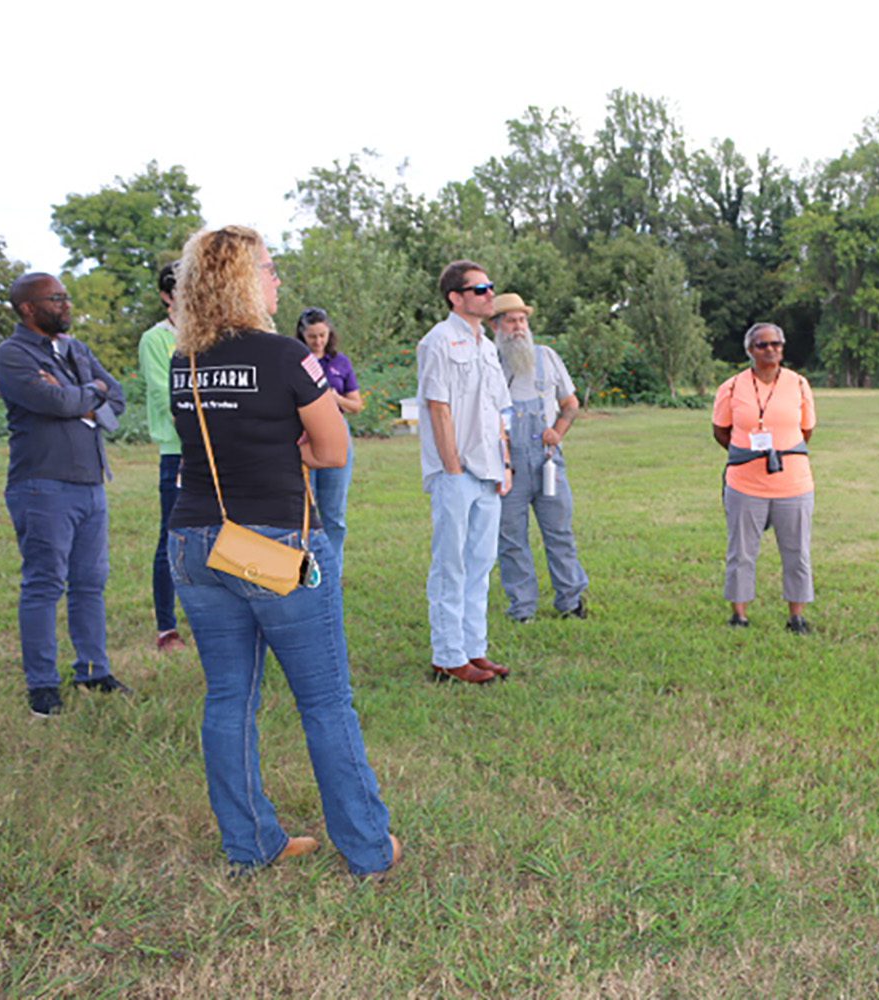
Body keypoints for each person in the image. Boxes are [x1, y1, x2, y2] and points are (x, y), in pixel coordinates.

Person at [166, 225, 398, 875]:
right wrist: (285, 445)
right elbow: (333, 450)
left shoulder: (183, 359)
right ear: (243, 279)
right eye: (269, 270)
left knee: (228, 699)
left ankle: (250, 844)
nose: (277, 282)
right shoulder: (286, 356)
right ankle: (368, 848)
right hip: (269, 544)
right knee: (325, 702)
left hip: (194, 541)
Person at [0, 273, 129, 716]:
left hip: (91, 485)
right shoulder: (12, 354)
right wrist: (90, 395)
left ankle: (93, 670)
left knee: (90, 584)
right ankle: (42, 685)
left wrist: (80, 396)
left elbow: (120, 396)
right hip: (42, 485)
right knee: (44, 584)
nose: (66, 304)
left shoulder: (74, 348)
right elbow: (54, 404)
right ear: (29, 308)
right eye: (57, 298)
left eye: (66, 296)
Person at [419, 260, 514, 683]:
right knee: (451, 564)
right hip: (455, 471)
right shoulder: (437, 342)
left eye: (490, 287)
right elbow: (437, 408)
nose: (489, 294)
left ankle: (475, 649)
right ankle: (447, 654)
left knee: (480, 562)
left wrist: (504, 463)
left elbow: (497, 410)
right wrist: (452, 467)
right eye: (480, 289)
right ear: (456, 298)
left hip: (488, 468)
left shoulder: (487, 346)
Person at [712, 323, 817, 633]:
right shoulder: (731, 387)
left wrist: (781, 451)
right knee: (741, 550)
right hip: (745, 483)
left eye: (777, 344)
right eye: (762, 345)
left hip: (793, 484)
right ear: (749, 351)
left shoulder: (798, 384)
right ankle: (739, 614)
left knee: (797, 551)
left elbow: (806, 430)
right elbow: (721, 431)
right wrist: (749, 453)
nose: (771, 349)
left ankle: (796, 616)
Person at [491, 292, 589, 622]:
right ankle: (522, 608)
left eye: (522, 320)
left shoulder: (546, 357)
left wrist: (558, 431)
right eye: (510, 321)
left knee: (559, 532)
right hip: (507, 465)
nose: (518, 327)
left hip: (548, 461)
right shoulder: (488, 362)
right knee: (511, 538)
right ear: (496, 326)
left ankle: (571, 601)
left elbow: (571, 403)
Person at [137, 262, 188, 652]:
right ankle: (166, 627)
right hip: (178, 450)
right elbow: (166, 395)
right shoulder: (156, 340)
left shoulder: (209, 334)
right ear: (166, 296)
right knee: (171, 538)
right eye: (180, 288)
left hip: (218, 450)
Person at [295, 307, 363, 582]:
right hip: (302, 435)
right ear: (302, 334)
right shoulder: (293, 360)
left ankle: (332, 573)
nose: (318, 341)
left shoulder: (340, 363)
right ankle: (306, 572)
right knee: (305, 510)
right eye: (312, 336)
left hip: (337, 433)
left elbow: (356, 404)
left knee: (334, 513)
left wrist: (335, 398)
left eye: (322, 335)